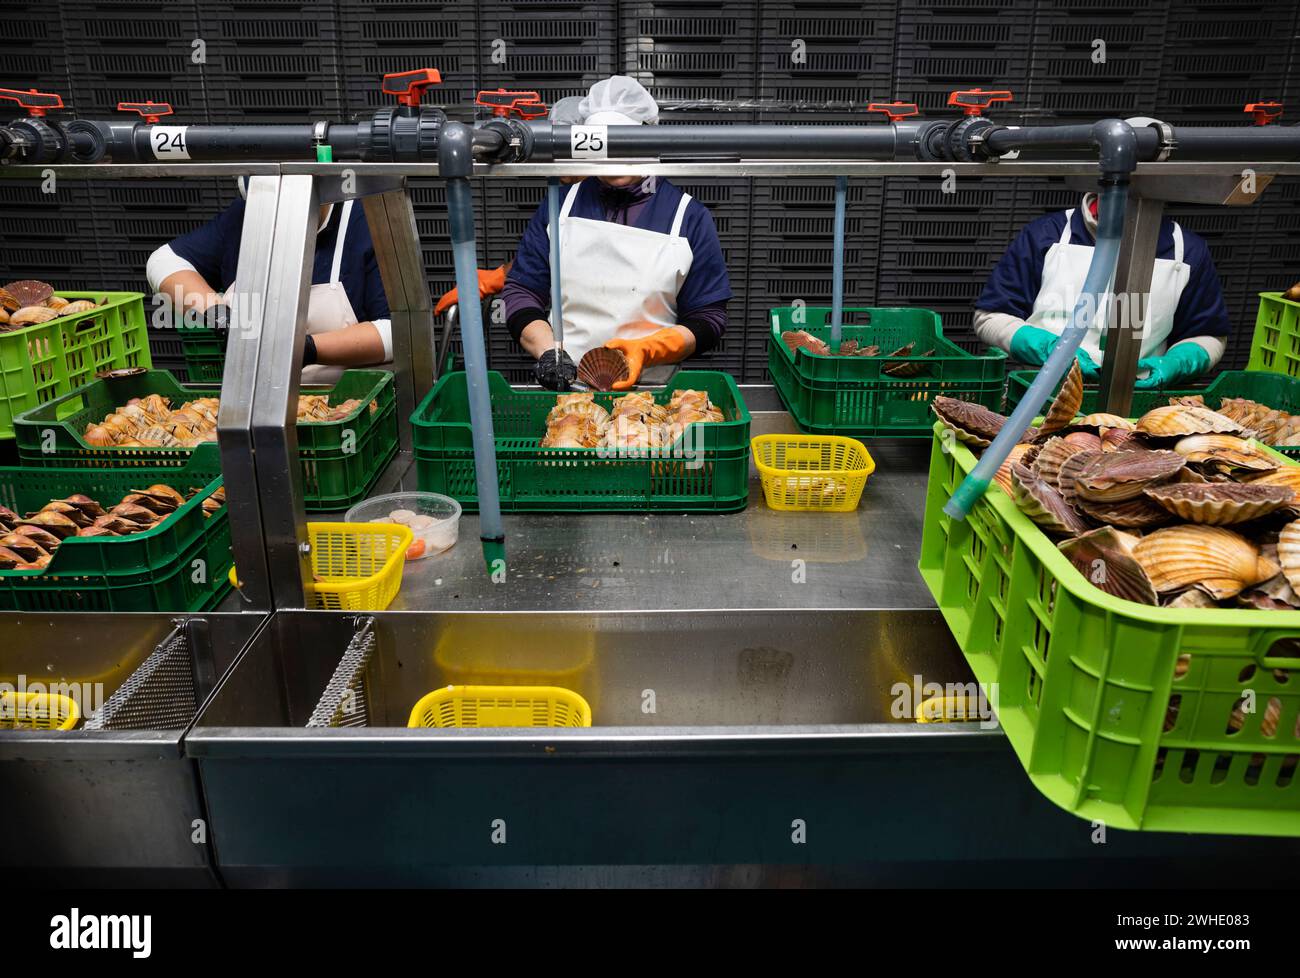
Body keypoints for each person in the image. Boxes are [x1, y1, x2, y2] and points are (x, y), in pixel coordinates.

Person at [495, 76, 733, 390]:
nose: (614, 157)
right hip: (567, 390)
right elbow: (523, 290)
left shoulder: (688, 217)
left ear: (648, 138)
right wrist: (549, 352)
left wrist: (647, 350)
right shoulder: (559, 205)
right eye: (605, 144)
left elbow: (708, 318)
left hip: (652, 394)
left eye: (624, 142)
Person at [975, 179, 1230, 390]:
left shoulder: (1187, 251)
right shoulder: (1047, 235)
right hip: (1040, 392)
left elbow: (1208, 335)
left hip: (1140, 399)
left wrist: (1178, 363)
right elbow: (990, 318)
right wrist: (1046, 348)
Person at [146, 181, 392, 384]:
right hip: (252, 400)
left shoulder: (364, 221)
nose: (279, 227)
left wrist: (304, 349)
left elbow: (395, 334)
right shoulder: (244, 217)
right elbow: (164, 260)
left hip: (348, 403)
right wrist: (219, 315)